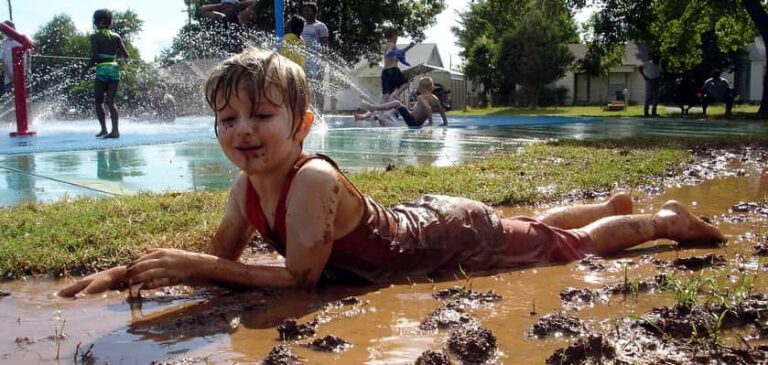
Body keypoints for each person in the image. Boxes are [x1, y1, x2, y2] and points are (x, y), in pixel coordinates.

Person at [58, 49, 726, 298]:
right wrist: (134, 270)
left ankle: (663, 221)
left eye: (261, 114)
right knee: (521, 228)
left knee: (562, 249)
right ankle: (609, 202)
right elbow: (217, 261)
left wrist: (198, 268)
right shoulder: (242, 189)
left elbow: (298, 280)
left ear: (302, 124)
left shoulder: (313, 181)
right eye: (227, 119)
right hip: (431, 220)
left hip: (444, 235)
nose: (243, 131)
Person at [82, 10, 130, 139]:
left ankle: (104, 130)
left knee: (99, 101)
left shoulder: (95, 37)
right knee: (111, 101)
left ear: (100, 22)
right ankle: (115, 131)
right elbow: (126, 56)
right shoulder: (117, 37)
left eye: (96, 21)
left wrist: (85, 69)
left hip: (102, 70)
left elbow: (96, 56)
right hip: (115, 69)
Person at [361, 76, 447, 127]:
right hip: (416, 122)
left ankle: (374, 107)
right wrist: (445, 122)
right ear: (431, 88)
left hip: (412, 121)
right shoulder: (435, 98)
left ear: (421, 88)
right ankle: (380, 117)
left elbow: (427, 108)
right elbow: (441, 110)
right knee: (401, 105)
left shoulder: (421, 97)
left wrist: (430, 123)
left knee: (396, 103)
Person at [300, 1, 329, 110]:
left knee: (317, 88)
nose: (305, 12)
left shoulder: (321, 26)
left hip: (315, 61)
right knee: (305, 87)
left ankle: (319, 111)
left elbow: (325, 45)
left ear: (314, 12)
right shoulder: (302, 25)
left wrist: (323, 63)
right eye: (304, 10)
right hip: (303, 61)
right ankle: (308, 110)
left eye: (308, 10)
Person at [380, 25, 416, 103]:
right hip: (393, 70)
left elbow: (400, 52)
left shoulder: (386, 44)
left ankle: (377, 113)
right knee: (406, 83)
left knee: (385, 95)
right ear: (393, 35)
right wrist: (391, 52)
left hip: (385, 72)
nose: (397, 38)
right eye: (397, 35)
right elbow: (389, 52)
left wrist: (409, 47)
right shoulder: (391, 44)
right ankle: (396, 94)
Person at [0, 21, 31, 97]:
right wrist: (11, 77)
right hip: (10, 79)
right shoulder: (3, 44)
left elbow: (29, 54)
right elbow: (2, 61)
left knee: (28, 100)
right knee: (12, 103)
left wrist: (29, 68)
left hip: (24, 76)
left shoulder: (22, 39)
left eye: (12, 28)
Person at [639, 52, 662, 117]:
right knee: (648, 97)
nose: (657, 60)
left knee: (656, 97)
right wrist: (644, 76)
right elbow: (640, 68)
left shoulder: (659, 63)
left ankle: (654, 113)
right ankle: (646, 113)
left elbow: (660, 71)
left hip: (656, 80)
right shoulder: (648, 63)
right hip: (649, 80)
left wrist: (660, 77)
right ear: (653, 58)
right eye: (656, 59)